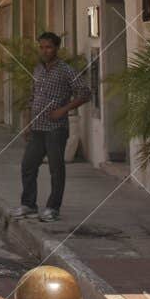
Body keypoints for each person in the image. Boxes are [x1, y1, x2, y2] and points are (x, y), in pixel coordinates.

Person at [15, 32, 90, 223]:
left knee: (56, 169)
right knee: (28, 165)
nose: (44, 50)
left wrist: (63, 110)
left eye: (48, 47)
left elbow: (85, 92)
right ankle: (29, 205)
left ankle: (53, 208)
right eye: (41, 47)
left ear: (56, 48)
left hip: (56, 128)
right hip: (38, 127)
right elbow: (33, 97)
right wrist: (28, 124)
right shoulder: (38, 69)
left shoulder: (66, 70)